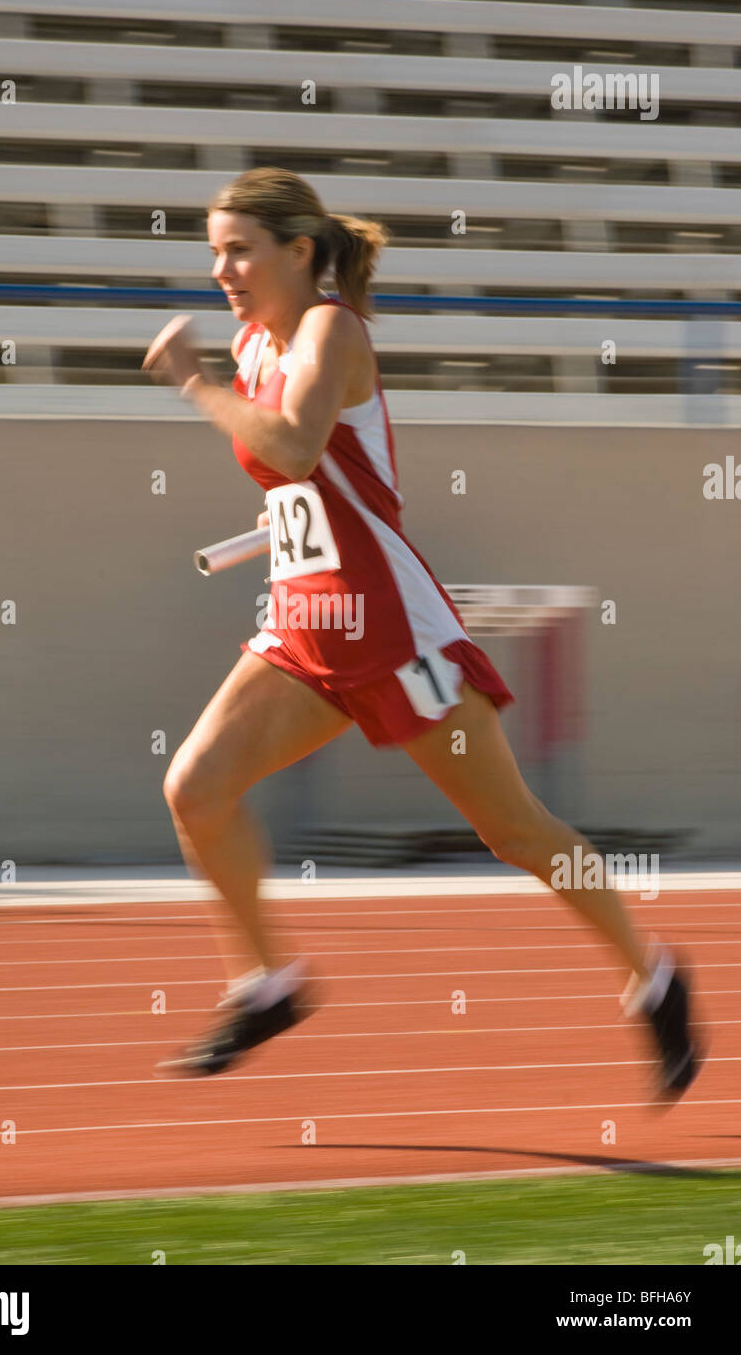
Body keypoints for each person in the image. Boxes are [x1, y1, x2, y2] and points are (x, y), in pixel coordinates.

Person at [142, 166, 700, 1101]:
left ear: (300, 252)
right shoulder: (251, 346)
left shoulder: (331, 330)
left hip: (398, 637)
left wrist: (194, 382)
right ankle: (267, 985)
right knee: (195, 788)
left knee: (513, 829)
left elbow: (291, 447)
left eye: (238, 250)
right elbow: (300, 486)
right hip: (304, 625)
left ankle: (651, 977)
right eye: (214, 253)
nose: (221, 271)